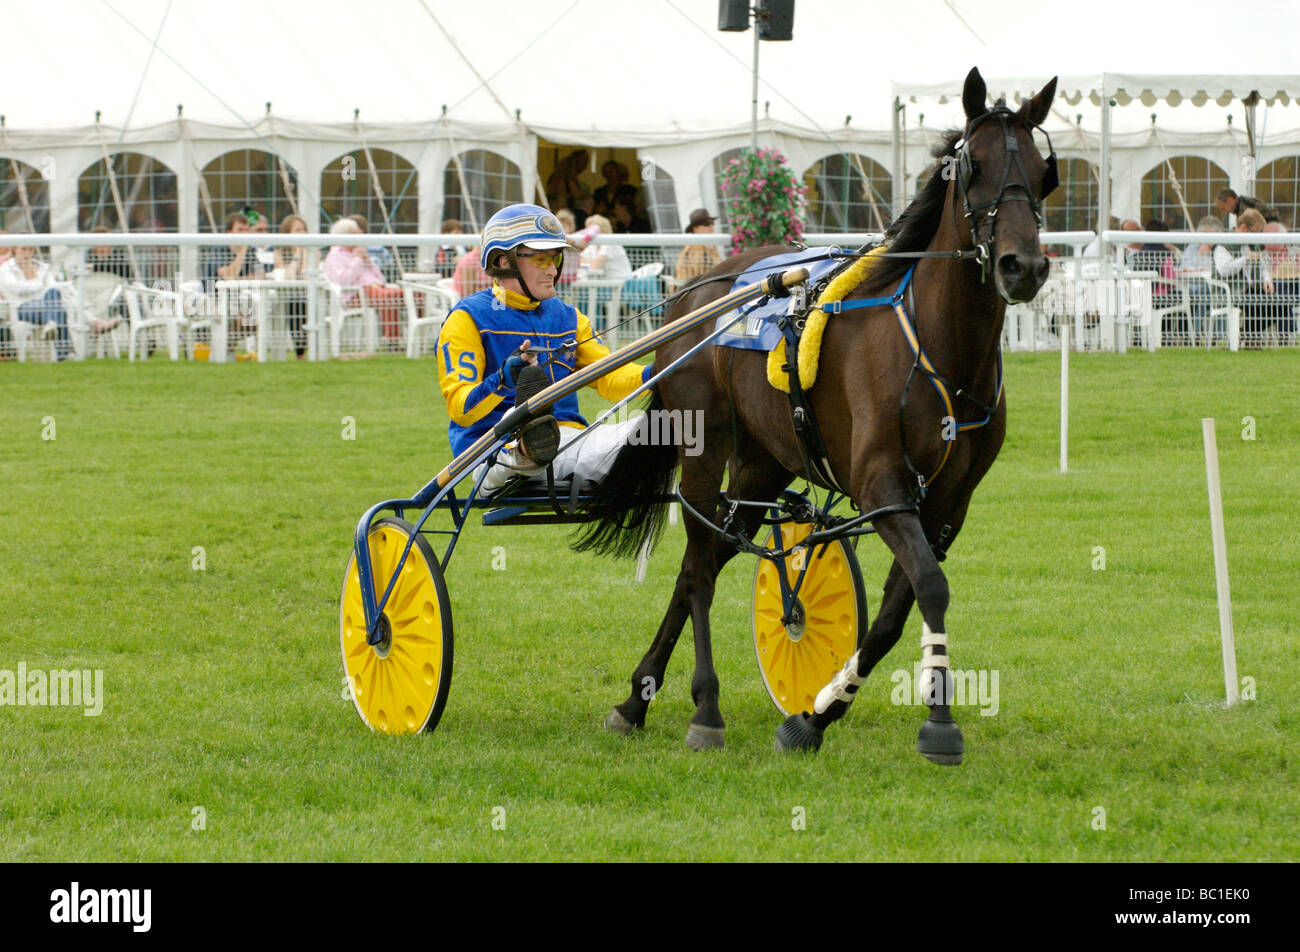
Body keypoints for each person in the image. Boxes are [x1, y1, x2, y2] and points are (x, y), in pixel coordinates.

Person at [435, 203, 654, 493]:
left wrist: (656, 374)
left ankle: (535, 441)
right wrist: (503, 380)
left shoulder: (570, 318)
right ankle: (524, 444)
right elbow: (461, 409)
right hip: (489, 452)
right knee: (522, 429)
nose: (552, 269)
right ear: (503, 261)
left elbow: (610, 375)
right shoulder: (467, 318)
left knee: (673, 427)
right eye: (540, 259)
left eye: (555, 258)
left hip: (570, 444)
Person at [323, 218, 405, 345]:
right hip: (354, 295)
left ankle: (423, 337)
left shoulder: (360, 252)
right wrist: (357, 260)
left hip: (376, 289)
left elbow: (380, 278)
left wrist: (367, 261)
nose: (359, 237)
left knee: (415, 295)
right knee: (390, 296)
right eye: (354, 234)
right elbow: (344, 282)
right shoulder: (334, 257)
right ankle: (392, 341)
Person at [0, 245, 73, 360]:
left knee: (54, 293)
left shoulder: (41, 267)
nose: (27, 253)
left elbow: (51, 287)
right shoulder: (6, 268)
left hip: (45, 304)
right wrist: (36, 281)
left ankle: (51, 324)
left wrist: (34, 286)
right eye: (23, 249)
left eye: (30, 249)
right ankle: (64, 354)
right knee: (59, 311)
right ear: (15, 249)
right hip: (21, 307)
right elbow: (15, 287)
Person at [1214, 208, 1274, 347]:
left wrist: (1267, 280)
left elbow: (1263, 267)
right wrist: (1245, 259)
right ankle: (1249, 339)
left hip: (1253, 291)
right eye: (1256, 232)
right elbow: (1224, 270)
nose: (1258, 236)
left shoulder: (1253, 245)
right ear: (1243, 228)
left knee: (1281, 305)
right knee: (1256, 299)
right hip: (1230, 292)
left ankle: (1245, 335)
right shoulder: (1223, 244)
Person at [1128, 218, 1180, 342]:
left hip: (1138, 295)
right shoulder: (1166, 253)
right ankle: (1169, 337)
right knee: (1182, 296)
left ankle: (1141, 337)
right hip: (1158, 297)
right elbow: (1171, 280)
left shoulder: (1138, 254)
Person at [274, 214, 316, 359]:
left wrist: (305, 253)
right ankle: (301, 353)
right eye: (298, 230)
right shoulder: (279, 253)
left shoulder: (313, 252)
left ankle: (303, 352)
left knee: (300, 304)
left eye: (304, 229)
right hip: (288, 297)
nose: (302, 233)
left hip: (312, 295)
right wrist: (297, 254)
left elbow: (306, 276)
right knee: (295, 304)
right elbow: (289, 277)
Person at [1178, 216, 1225, 343]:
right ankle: (1193, 334)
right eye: (1204, 235)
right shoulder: (1192, 247)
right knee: (1192, 295)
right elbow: (1184, 267)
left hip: (1215, 288)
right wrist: (1200, 255)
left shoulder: (1221, 249)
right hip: (1191, 287)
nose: (1206, 239)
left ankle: (1205, 334)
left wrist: (1206, 255)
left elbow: (1218, 271)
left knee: (1205, 297)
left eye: (1210, 235)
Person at [202, 211, 262, 292]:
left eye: (247, 229)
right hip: (216, 299)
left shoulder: (250, 251)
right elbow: (229, 276)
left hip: (242, 297)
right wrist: (243, 249)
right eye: (240, 230)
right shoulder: (219, 251)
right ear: (229, 231)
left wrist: (239, 280)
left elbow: (261, 275)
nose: (245, 233)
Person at [675, 208, 723, 282]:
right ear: (695, 228)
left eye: (712, 223)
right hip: (692, 289)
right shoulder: (695, 247)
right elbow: (700, 274)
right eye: (706, 224)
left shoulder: (708, 244)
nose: (711, 226)